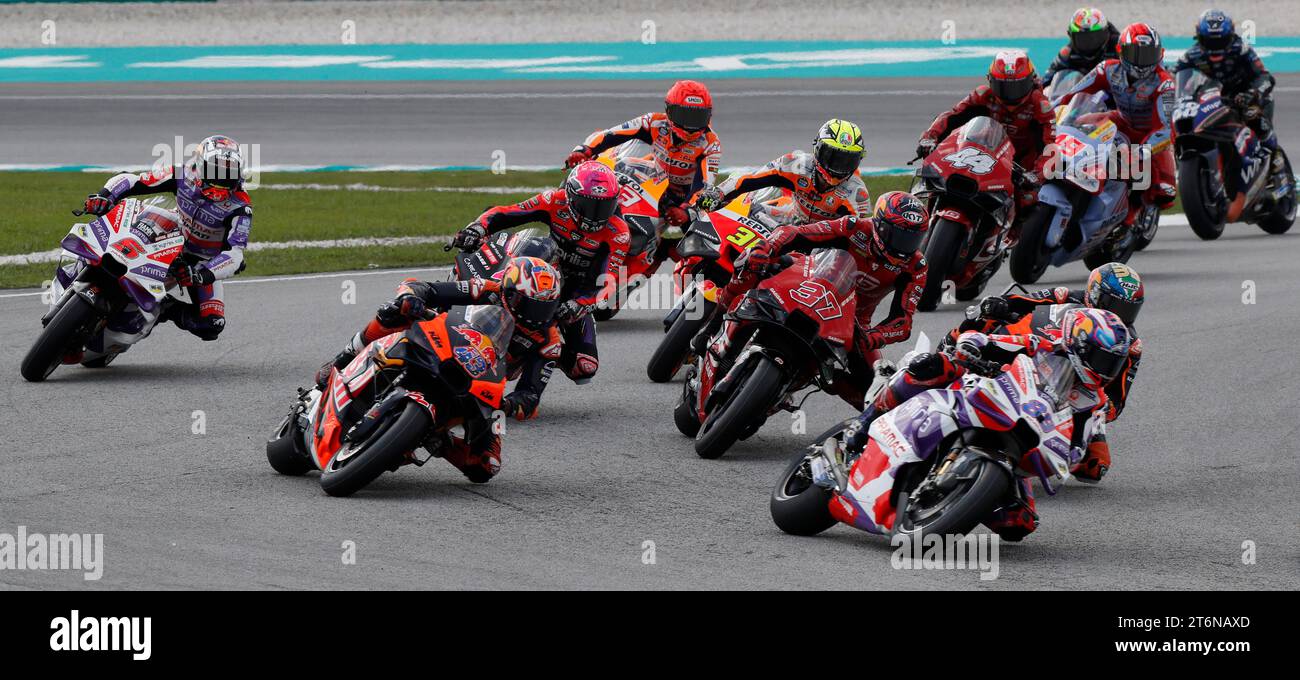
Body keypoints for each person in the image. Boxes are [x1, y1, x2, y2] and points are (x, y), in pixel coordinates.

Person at [842, 307, 1133, 540]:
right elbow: (995, 342)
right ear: (1079, 344)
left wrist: (1068, 454)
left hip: (1022, 436)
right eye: (1102, 358)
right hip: (986, 394)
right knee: (933, 367)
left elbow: (1078, 446)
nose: (1106, 370)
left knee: (1018, 523)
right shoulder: (1042, 346)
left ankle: (946, 504)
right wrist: (974, 345)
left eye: (1113, 363)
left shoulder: (1093, 401)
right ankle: (865, 422)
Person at [315, 256, 562, 481]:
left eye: (545, 308)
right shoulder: (485, 289)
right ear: (510, 292)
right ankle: (345, 358)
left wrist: (507, 405)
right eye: (529, 305)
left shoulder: (549, 342)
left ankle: (437, 441)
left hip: (479, 385)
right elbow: (426, 288)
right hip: (438, 343)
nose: (535, 315)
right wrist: (410, 298)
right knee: (392, 312)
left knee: (486, 466)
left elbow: (531, 395)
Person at [693, 191, 929, 409]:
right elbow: (797, 233)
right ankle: (714, 323)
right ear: (879, 225)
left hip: (852, 323)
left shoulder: (915, 266)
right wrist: (768, 247)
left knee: (881, 394)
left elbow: (903, 322)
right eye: (898, 235)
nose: (903, 246)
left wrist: (874, 337)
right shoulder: (854, 226)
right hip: (810, 279)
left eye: (912, 239)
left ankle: (826, 383)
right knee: (753, 263)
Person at [452, 161, 630, 417]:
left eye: (605, 206)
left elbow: (608, 282)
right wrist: (477, 227)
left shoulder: (618, 232)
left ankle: (534, 363)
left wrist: (579, 305)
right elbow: (505, 212)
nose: (596, 213)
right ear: (570, 195)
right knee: (542, 246)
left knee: (584, 367)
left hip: (573, 295)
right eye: (589, 205)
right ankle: (464, 290)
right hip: (536, 270)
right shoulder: (553, 200)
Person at [961, 263, 1144, 470]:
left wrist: (1098, 406)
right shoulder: (1066, 295)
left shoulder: (1127, 344)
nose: (1119, 315)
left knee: (1095, 465)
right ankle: (947, 358)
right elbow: (1025, 300)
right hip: (1035, 350)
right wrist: (1002, 305)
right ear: (1094, 294)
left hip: (1073, 387)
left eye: (1129, 310)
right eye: (1115, 305)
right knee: (984, 316)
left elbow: (1117, 401)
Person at [81, 135, 252, 342]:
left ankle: (165, 307)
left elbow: (234, 255)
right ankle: (83, 265)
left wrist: (201, 275)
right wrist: (105, 196)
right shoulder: (181, 174)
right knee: (113, 240)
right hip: (167, 234)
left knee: (211, 325)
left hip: (199, 263)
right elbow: (134, 180)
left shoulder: (241, 208)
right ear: (199, 166)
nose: (219, 183)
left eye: (227, 176)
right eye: (214, 173)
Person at [917, 50, 1055, 231]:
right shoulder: (983, 94)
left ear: (1030, 82)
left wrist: (1036, 175)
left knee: (1028, 200)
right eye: (1003, 87)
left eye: (1017, 87)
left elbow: (1050, 146)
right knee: (940, 174)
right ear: (991, 81)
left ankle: (1010, 235)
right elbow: (952, 116)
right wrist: (929, 137)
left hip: (1020, 164)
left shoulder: (1040, 105)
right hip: (982, 150)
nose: (1010, 95)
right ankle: (929, 218)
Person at [1055, 22, 1178, 224]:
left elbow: (1166, 129)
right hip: (1120, 122)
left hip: (1148, 135)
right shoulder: (1107, 69)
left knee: (1163, 191)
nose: (1141, 62)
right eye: (1136, 55)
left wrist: (1141, 152)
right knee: (1081, 126)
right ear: (1121, 51)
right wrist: (1053, 113)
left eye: (1147, 55)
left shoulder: (1164, 84)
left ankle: (1133, 215)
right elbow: (1072, 95)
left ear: (1159, 54)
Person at [565, 80, 721, 227]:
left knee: (698, 228)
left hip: (684, 196)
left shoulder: (710, 144)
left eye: (697, 117)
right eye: (684, 116)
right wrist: (585, 150)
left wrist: (687, 209)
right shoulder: (653, 123)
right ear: (669, 111)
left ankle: (668, 248)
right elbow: (612, 134)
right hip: (656, 182)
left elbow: (705, 186)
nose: (690, 125)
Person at [689, 119, 871, 225]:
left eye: (847, 160)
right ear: (818, 149)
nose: (838, 168)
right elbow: (749, 179)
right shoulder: (797, 164)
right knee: (746, 209)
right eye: (833, 157)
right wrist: (717, 193)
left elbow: (857, 238)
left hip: (823, 242)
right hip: (790, 218)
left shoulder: (857, 193)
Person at [1174, 9, 1278, 155]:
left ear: (1230, 36)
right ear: (1199, 38)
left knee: (1253, 117)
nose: (1216, 47)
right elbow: (1174, 78)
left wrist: (1253, 94)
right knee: (1183, 122)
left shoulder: (1242, 50)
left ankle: (1275, 160)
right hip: (1211, 102)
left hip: (1244, 98)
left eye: (1220, 41)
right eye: (1210, 42)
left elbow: (1265, 77)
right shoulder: (1191, 56)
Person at [1042, 7, 1121, 86]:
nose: (1089, 43)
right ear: (1072, 37)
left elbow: (1130, 71)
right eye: (1083, 38)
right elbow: (1048, 78)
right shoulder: (1068, 53)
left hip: (1114, 91)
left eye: (1094, 37)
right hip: (1082, 94)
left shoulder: (1118, 47)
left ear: (1106, 33)